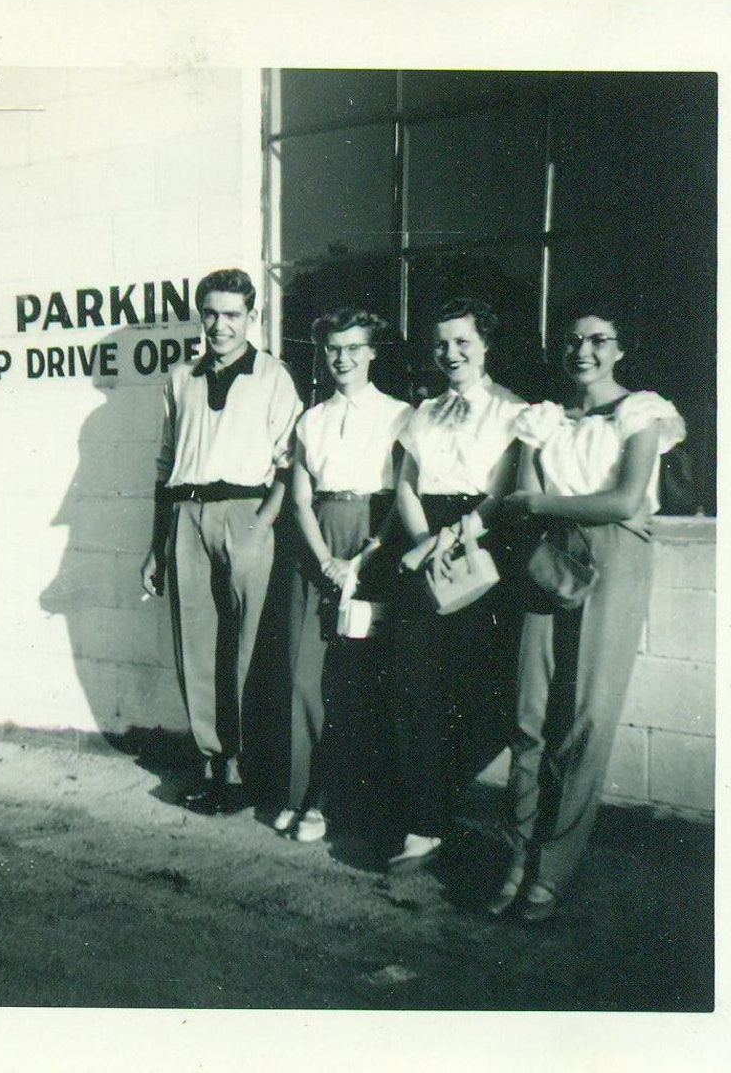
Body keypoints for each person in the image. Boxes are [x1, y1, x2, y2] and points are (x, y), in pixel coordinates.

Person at [488, 299, 685, 922]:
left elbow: (625, 501)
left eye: (599, 340)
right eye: (573, 340)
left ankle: (551, 869)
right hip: (547, 556)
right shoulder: (542, 418)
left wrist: (542, 505)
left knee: (586, 719)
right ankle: (517, 856)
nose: (584, 351)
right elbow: (521, 495)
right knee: (528, 713)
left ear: (619, 348)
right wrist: (539, 507)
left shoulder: (641, 412)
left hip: (615, 557)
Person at [141, 268, 303, 814]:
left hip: (247, 515)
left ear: (251, 317)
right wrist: (156, 545)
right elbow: (165, 465)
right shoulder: (180, 378)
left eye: (232, 314)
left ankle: (252, 771)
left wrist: (262, 524)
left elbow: (289, 462)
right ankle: (217, 768)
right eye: (210, 313)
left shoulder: (273, 376)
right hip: (187, 516)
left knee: (250, 650)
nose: (220, 325)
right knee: (197, 648)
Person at [385, 297, 527, 864]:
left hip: (483, 545)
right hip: (426, 548)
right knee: (416, 687)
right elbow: (406, 485)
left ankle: (442, 803)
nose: (451, 353)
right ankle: (423, 824)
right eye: (441, 343)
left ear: (485, 344)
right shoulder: (422, 413)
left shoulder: (512, 411)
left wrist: (448, 542)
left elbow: (502, 492)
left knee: (484, 693)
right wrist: (426, 544)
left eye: (463, 341)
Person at [274, 308, 412, 843]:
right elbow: (300, 498)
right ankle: (302, 795)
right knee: (304, 675)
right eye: (333, 348)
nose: (343, 358)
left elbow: (402, 496)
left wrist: (363, 557)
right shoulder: (311, 420)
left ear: (372, 352)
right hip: (318, 544)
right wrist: (324, 559)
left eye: (354, 347)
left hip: (375, 537)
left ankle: (339, 804)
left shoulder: (401, 415)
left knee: (358, 680)